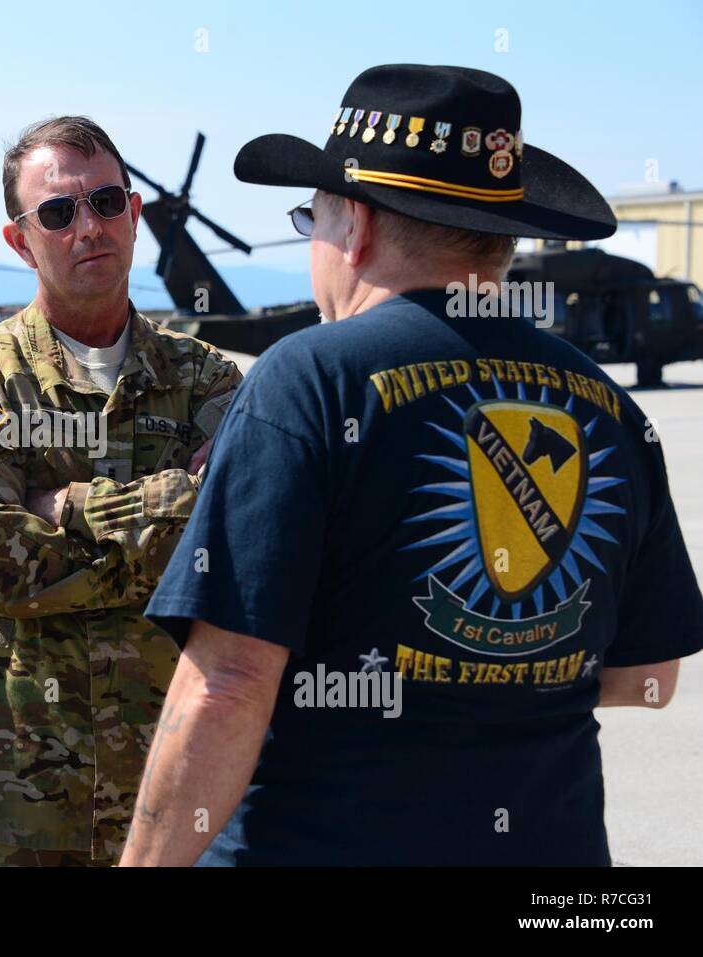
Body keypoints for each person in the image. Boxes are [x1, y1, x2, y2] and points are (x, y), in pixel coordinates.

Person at [121, 64, 703, 866]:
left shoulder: (308, 380)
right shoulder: (612, 406)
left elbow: (227, 685)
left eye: (311, 219)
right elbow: (649, 676)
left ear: (354, 224)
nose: (315, 244)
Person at [0, 115, 243, 865]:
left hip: (181, 772)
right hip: (23, 785)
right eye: (58, 212)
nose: (89, 225)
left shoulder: (207, 380)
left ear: (135, 215)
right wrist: (172, 515)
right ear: (20, 240)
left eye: (108, 202)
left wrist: (64, 508)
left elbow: (244, 542)